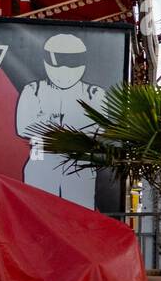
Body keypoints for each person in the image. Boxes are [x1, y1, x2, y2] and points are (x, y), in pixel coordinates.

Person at [15, 33, 106, 208]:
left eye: (71, 61)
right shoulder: (33, 90)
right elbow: (24, 126)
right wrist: (73, 127)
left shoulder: (94, 93)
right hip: (41, 160)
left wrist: (49, 122)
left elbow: (99, 128)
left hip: (79, 163)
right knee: (37, 212)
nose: (64, 67)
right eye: (58, 60)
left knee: (78, 214)